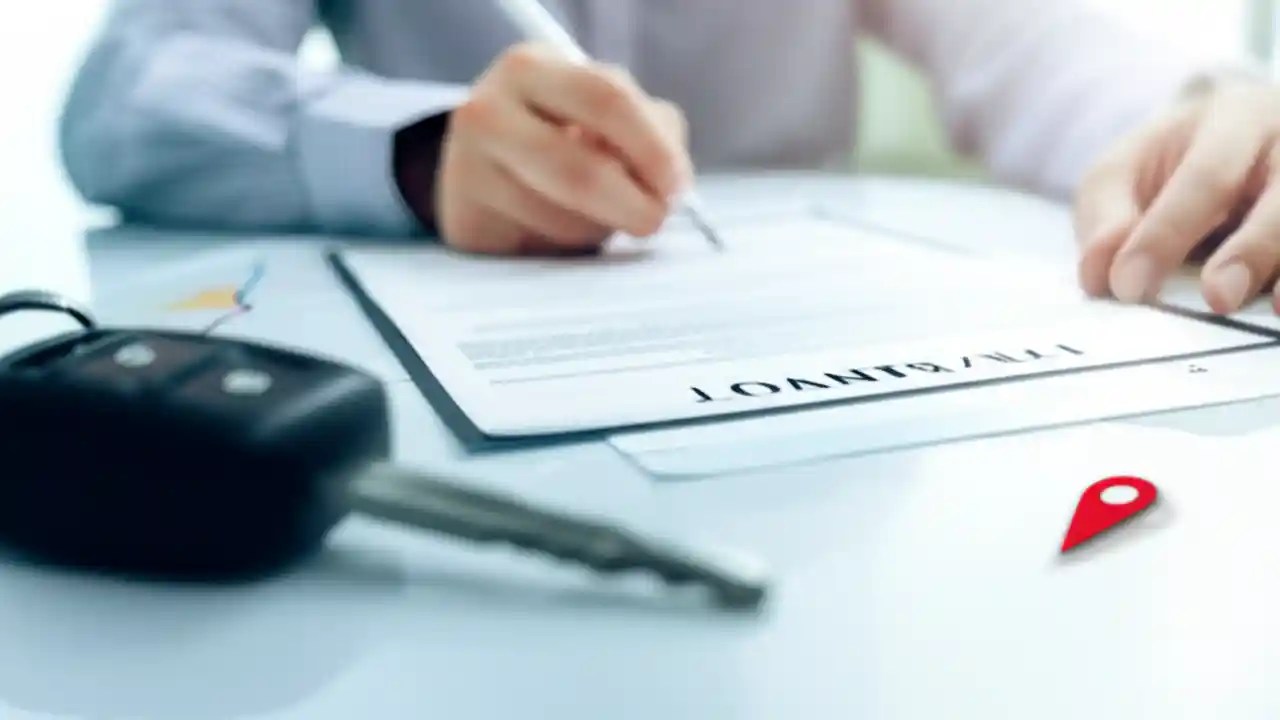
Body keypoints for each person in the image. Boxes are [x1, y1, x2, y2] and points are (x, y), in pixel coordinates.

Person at [60, 1, 1280, 315]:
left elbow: (1024, 37)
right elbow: (127, 95)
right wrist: (423, 154)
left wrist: (1198, 116)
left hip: (822, 418)